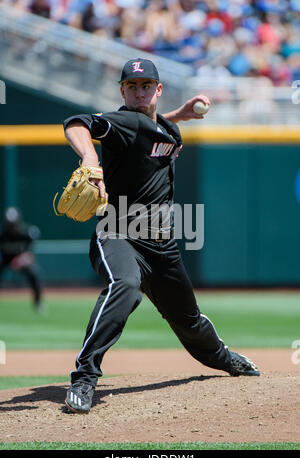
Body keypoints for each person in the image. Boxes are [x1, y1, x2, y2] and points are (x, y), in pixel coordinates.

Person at [63, 57, 260, 414]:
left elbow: (149, 129)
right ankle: (84, 378)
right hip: (118, 234)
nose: (139, 92)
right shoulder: (122, 121)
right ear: (122, 91)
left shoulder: (167, 129)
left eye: (146, 86)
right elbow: (77, 123)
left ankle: (224, 358)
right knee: (125, 286)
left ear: (158, 89)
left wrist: (179, 115)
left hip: (162, 245)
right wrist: (90, 157)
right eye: (132, 87)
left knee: (189, 321)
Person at [0, 207, 43, 311]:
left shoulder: (26, 233)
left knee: (34, 273)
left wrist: (23, 259)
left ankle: (37, 303)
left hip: (21, 259)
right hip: (5, 259)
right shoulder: (2, 235)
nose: (11, 228)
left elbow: (29, 254)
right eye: (10, 225)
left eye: (13, 224)